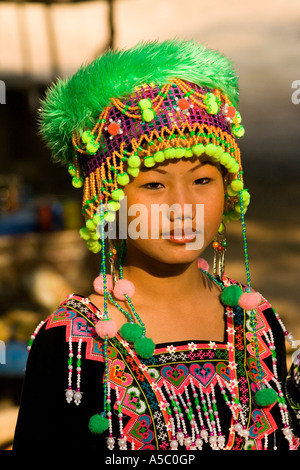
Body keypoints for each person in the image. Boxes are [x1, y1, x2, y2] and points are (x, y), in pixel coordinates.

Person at [13, 39, 300, 451]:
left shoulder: (257, 323)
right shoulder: (74, 342)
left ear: (229, 188)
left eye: (203, 180)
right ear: (107, 201)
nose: (182, 207)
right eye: (153, 184)